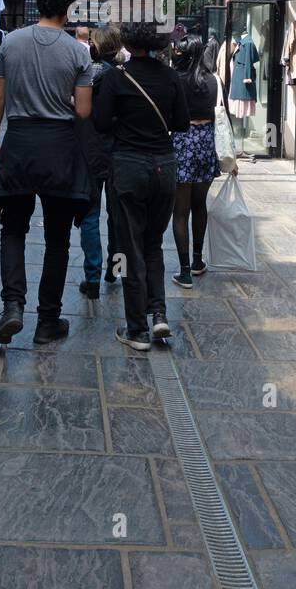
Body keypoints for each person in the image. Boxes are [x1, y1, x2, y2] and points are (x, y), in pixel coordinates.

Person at [0, 0, 93, 346]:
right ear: (68, 7)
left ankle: (13, 305)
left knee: (12, 228)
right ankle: (48, 320)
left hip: (19, 142)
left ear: (37, 4)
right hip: (59, 148)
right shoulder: (79, 52)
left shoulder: (10, 43)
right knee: (58, 238)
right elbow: (82, 110)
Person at [93, 22, 190, 351]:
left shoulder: (114, 78)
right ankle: (159, 313)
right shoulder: (171, 77)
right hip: (165, 168)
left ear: (128, 43)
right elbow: (180, 124)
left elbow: (101, 123)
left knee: (129, 247)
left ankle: (136, 330)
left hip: (129, 167)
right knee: (153, 244)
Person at [171, 35, 223, 287]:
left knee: (180, 211)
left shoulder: (177, 80)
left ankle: (184, 272)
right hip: (207, 142)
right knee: (199, 204)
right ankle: (197, 260)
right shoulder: (214, 80)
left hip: (183, 141)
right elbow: (222, 115)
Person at [78, 24, 123, 298]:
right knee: (118, 216)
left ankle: (92, 277)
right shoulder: (122, 76)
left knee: (90, 215)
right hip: (118, 152)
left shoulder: (87, 74)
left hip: (90, 151)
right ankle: (114, 270)